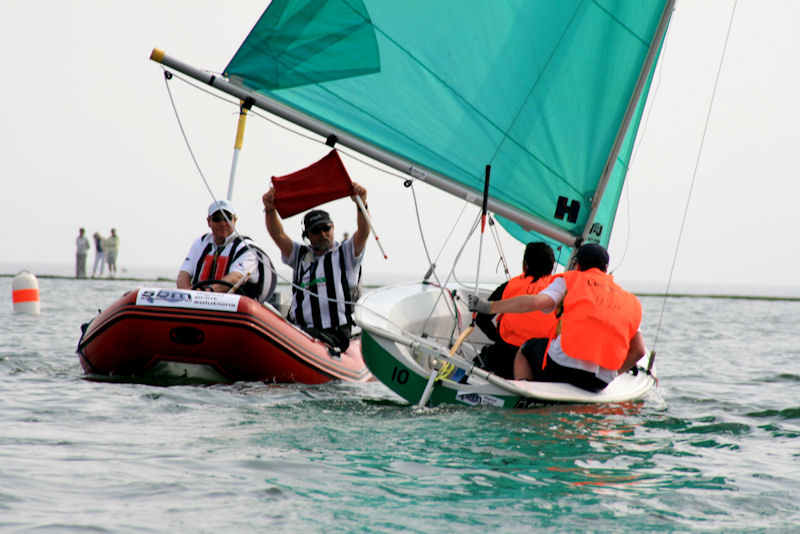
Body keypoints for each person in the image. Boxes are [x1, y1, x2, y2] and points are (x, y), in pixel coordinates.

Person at [469, 243, 645, 392]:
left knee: (526, 349)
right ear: (606, 269)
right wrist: (613, 374)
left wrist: (489, 307)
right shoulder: (630, 301)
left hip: (560, 365)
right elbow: (639, 351)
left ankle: (524, 393)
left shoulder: (568, 281)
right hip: (600, 381)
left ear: (577, 266)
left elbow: (534, 302)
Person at [261, 183, 369, 352]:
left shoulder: (345, 253)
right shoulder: (299, 255)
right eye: (316, 231)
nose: (323, 234)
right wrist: (270, 209)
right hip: (299, 330)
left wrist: (361, 204)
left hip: (333, 333)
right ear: (307, 236)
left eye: (326, 228)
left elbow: (363, 233)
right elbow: (278, 235)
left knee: (297, 336)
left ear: (333, 227)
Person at [473, 242, 557, 379]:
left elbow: (481, 319)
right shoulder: (559, 292)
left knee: (482, 360)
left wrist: (498, 338)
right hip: (541, 362)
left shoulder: (510, 286)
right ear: (552, 267)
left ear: (525, 265)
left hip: (505, 356)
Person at [177, 199, 275, 302]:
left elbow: (236, 276)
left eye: (227, 218)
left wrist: (206, 295)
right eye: (217, 219)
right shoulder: (200, 243)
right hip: (199, 305)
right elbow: (184, 274)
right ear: (209, 221)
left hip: (232, 309)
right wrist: (188, 296)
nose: (223, 223)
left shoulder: (247, 248)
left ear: (235, 220)